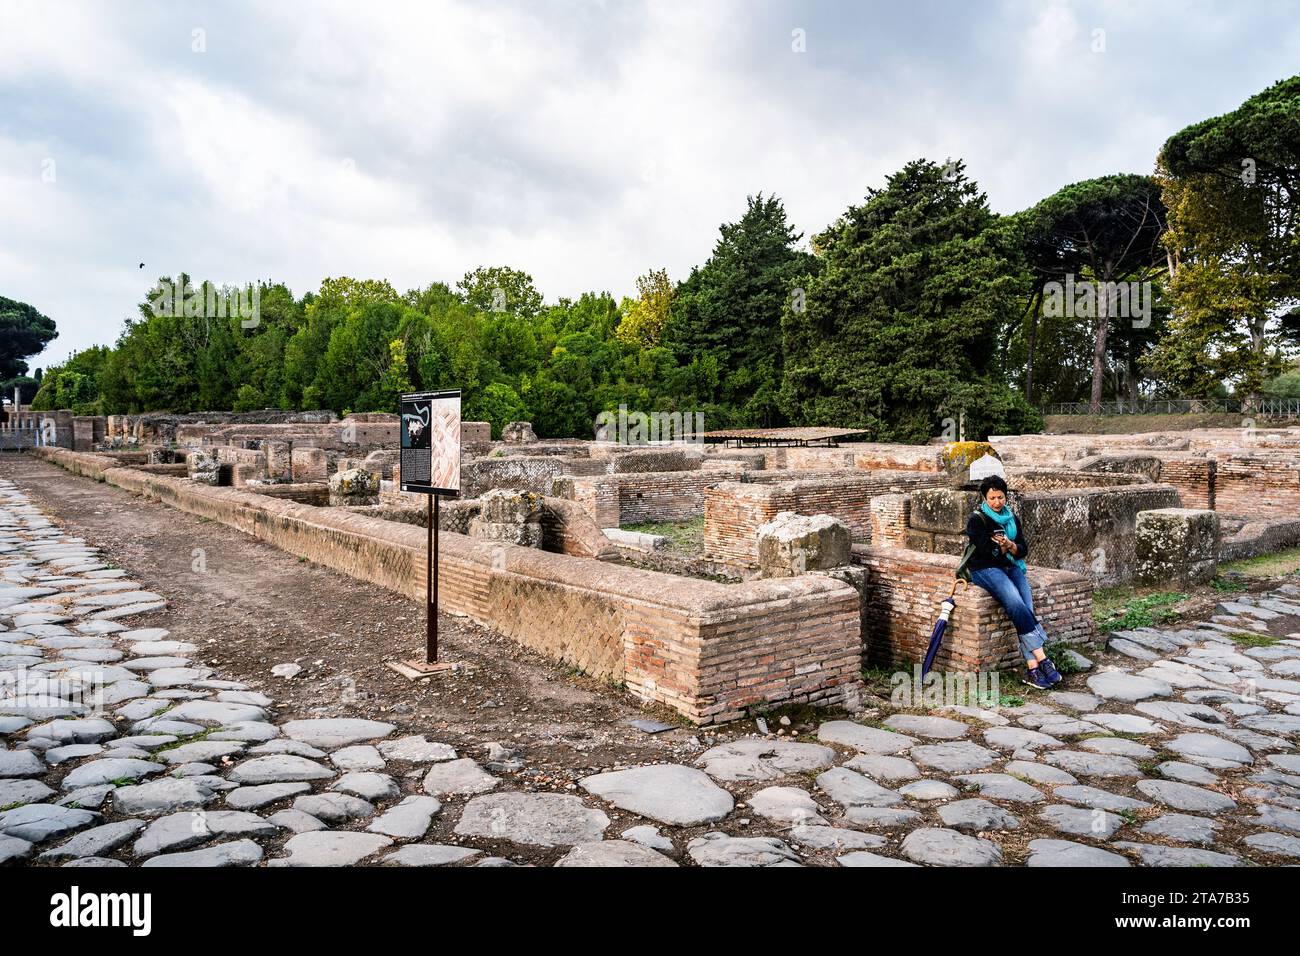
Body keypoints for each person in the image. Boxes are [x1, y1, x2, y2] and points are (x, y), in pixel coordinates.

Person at [964, 474, 1062, 689]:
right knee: (1015, 603)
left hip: (1011, 566)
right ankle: (1043, 658)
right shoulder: (977, 520)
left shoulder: (1011, 518)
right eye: (992, 498)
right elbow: (985, 552)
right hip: (986, 569)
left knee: (1026, 608)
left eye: (1000, 497)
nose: (997, 502)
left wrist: (1010, 545)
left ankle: (1032, 669)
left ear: (1005, 497)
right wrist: (1002, 548)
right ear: (984, 498)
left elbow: (1023, 548)